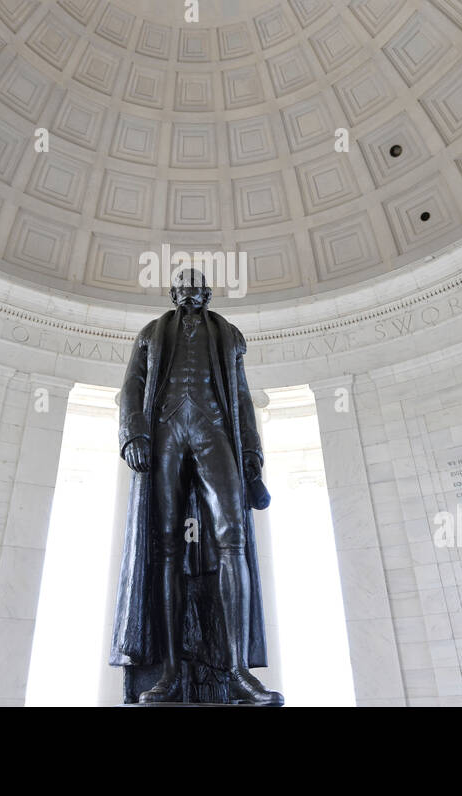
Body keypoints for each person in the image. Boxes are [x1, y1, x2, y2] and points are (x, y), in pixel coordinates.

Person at [110, 268, 283, 705]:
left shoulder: (229, 334)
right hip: (165, 429)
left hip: (214, 429)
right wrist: (133, 432)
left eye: (201, 286)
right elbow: (131, 387)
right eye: (186, 286)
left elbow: (241, 396)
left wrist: (251, 457)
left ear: (209, 292)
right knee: (164, 547)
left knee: (234, 540)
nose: (194, 292)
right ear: (173, 293)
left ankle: (239, 671)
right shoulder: (151, 332)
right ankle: (167, 672)